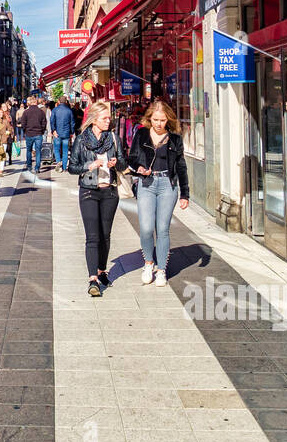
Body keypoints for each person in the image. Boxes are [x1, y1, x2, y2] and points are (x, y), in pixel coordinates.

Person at [128, 99, 190, 287]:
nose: (159, 124)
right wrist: (139, 168)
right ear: (149, 119)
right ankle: (148, 263)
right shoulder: (141, 135)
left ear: (168, 120)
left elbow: (181, 166)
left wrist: (185, 194)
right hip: (146, 183)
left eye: (162, 120)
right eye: (155, 120)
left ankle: (161, 269)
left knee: (162, 229)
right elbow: (131, 158)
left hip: (167, 185)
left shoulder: (175, 139)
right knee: (146, 228)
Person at [69, 100, 122, 297]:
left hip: (109, 192)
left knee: (105, 235)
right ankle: (93, 279)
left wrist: (117, 162)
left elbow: (124, 162)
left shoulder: (113, 138)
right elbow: (72, 167)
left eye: (109, 118)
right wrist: (89, 166)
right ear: (94, 120)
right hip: (89, 191)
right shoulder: (82, 140)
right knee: (92, 236)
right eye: (105, 118)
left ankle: (101, 270)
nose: (109, 121)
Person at [22, 95, 48, 174]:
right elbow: (44, 123)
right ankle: (37, 168)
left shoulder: (26, 112)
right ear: (36, 103)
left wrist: (25, 131)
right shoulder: (41, 112)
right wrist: (42, 131)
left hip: (29, 133)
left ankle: (29, 166)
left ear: (30, 103)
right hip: (38, 134)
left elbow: (23, 123)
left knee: (29, 150)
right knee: (38, 151)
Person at [51, 97, 75, 173]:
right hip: (66, 133)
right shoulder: (69, 110)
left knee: (56, 149)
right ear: (66, 102)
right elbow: (72, 122)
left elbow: (52, 121)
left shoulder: (55, 110)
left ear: (58, 101)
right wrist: (72, 132)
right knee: (65, 151)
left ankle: (58, 162)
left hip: (57, 133)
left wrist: (53, 130)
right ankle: (64, 168)